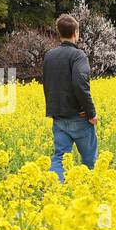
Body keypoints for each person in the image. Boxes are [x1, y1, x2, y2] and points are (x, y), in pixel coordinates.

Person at [42, 13, 98, 181]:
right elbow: (80, 84)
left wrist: (53, 110)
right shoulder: (78, 55)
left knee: (59, 158)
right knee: (89, 161)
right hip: (79, 117)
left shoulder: (49, 56)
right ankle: (90, 193)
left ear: (59, 32)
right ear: (76, 32)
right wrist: (91, 113)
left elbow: (47, 84)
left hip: (58, 116)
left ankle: (54, 189)